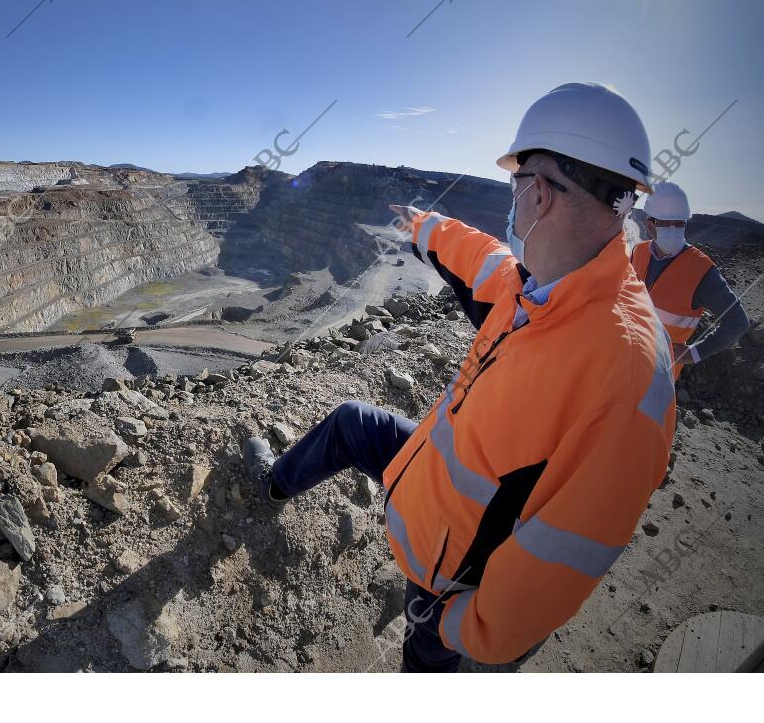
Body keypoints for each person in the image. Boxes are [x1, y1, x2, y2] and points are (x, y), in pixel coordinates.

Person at [244, 83, 676, 672]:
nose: (511, 207)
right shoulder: (540, 284)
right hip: (422, 490)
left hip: (452, 588)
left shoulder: (625, 372)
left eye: (515, 188)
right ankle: (273, 485)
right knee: (351, 424)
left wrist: (464, 626)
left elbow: (566, 556)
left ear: (540, 193)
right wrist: (424, 226)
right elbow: (481, 259)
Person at [631, 182, 749, 378]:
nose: (673, 229)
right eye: (665, 223)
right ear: (649, 225)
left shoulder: (701, 270)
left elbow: (738, 322)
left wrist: (694, 353)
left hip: (660, 375)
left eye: (679, 223)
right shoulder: (638, 252)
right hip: (627, 358)